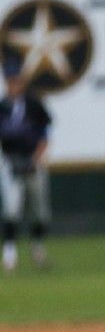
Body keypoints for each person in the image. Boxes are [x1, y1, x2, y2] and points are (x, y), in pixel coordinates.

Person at [0, 58, 52, 274]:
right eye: (10, 80)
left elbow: (45, 135)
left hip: (33, 162)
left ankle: (37, 247)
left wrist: (35, 159)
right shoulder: (2, 107)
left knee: (40, 211)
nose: (14, 84)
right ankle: (9, 253)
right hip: (10, 162)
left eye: (17, 80)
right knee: (11, 209)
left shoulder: (33, 105)